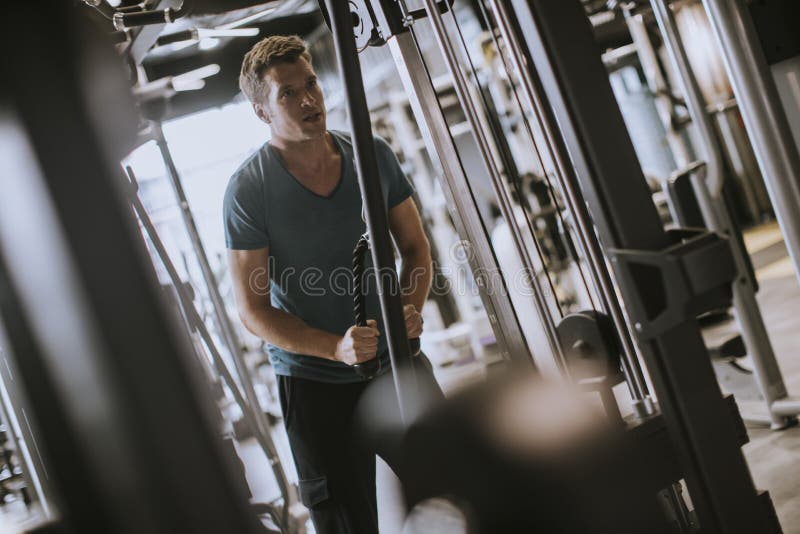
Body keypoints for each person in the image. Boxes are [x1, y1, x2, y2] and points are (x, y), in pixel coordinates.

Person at [224, 35, 439, 533]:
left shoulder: (371, 154)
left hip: (397, 365)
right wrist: (334, 348)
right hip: (314, 384)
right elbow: (253, 309)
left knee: (458, 493)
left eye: (311, 85)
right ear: (261, 111)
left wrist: (408, 311)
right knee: (344, 524)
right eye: (287, 93)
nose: (307, 100)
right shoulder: (249, 189)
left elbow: (416, 248)